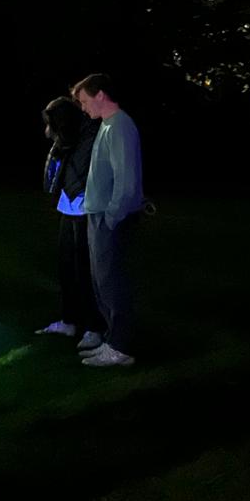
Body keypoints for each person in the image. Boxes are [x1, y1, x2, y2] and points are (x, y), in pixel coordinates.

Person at [72, 73, 144, 369]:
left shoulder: (119, 126)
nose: (83, 107)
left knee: (112, 280)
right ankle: (113, 340)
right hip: (100, 215)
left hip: (109, 217)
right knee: (102, 280)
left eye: (85, 100)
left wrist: (113, 216)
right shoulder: (107, 125)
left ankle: (120, 346)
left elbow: (126, 180)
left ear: (100, 94)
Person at [36, 96, 102, 346]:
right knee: (66, 269)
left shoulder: (86, 138)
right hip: (69, 208)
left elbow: (83, 173)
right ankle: (69, 321)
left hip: (85, 210)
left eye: (50, 123)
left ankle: (94, 327)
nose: (47, 131)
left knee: (85, 272)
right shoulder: (65, 141)